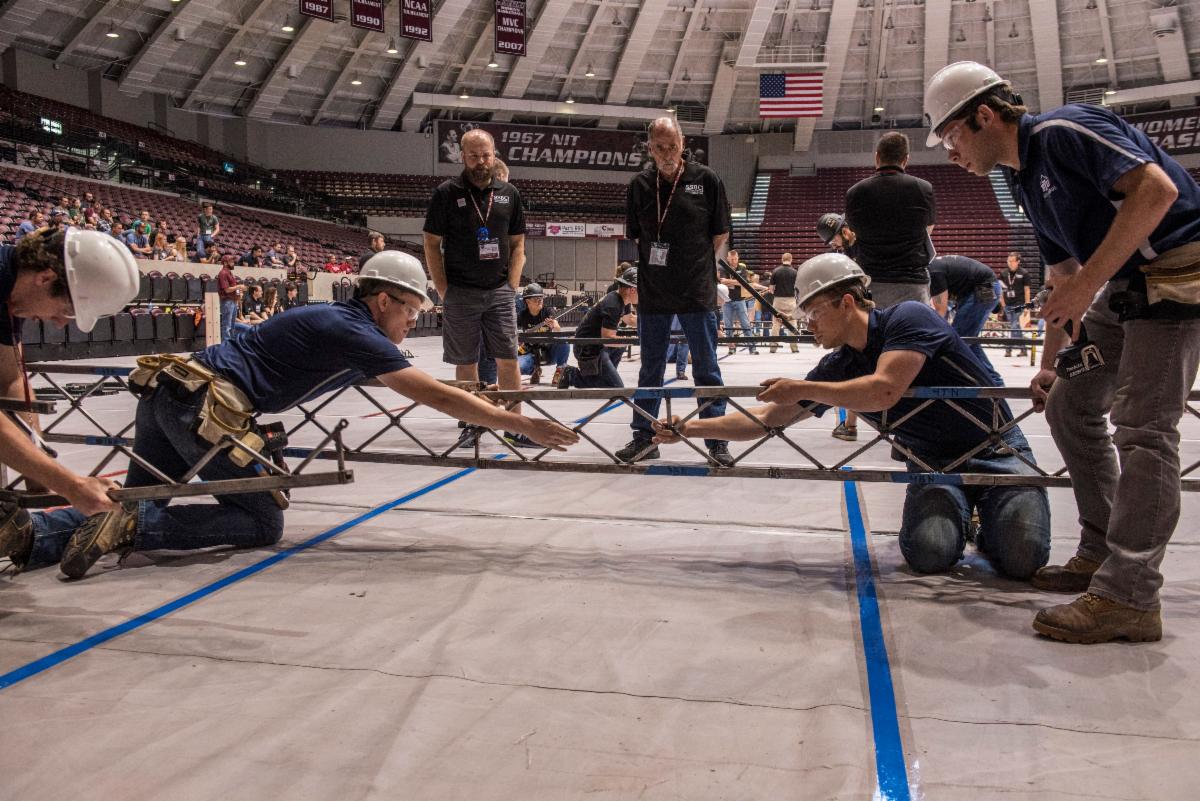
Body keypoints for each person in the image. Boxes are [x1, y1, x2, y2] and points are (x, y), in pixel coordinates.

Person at [0, 252, 578, 579]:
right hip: (205, 406)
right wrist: (523, 422)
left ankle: (34, 537)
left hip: (168, 392)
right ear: (384, 301)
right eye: (410, 310)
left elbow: (435, 388)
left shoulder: (333, 321)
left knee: (138, 498)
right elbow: (436, 395)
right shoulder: (355, 332)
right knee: (259, 524)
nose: (411, 323)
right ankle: (133, 523)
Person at [925, 60, 1200, 643]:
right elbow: (1062, 279)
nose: (949, 152)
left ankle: (1129, 593)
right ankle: (1101, 553)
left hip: (1176, 276)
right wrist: (1050, 364)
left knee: (1145, 431)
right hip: (1125, 289)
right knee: (1069, 406)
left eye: (950, 136)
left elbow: (1157, 190)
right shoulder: (1025, 180)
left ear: (983, 115)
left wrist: (1083, 285)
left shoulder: (1062, 132)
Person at [652, 253, 1050, 580]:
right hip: (933, 462)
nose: (808, 325)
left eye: (813, 312)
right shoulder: (838, 366)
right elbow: (767, 419)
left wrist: (804, 388)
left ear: (846, 302)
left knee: (1023, 557)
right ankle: (963, 507)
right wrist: (688, 427)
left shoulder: (909, 318)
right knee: (929, 555)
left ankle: (980, 512)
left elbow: (884, 389)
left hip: (994, 446)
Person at [0, 229, 139, 567]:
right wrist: (69, 484)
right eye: (66, 310)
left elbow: (11, 378)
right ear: (45, 278)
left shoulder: (8, 292)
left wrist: (38, 478)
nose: (61, 323)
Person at [618, 116, 732, 466]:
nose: (667, 153)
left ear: (683, 145)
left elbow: (720, 233)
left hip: (697, 290)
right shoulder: (639, 184)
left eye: (673, 146)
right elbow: (637, 234)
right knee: (650, 367)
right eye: (659, 147)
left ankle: (717, 439)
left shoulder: (706, 180)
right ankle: (644, 437)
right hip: (654, 291)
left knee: (707, 367)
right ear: (649, 148)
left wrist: (696, 264)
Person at [423, 128, 534, 447]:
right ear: (463, 156)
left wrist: (511, 285)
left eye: (486, 155)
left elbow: (518, 243)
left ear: (494, 154)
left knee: (508, 359)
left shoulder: (509, 193)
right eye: (474, 155)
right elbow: (431, 243)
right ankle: (471, 423)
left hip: (499, 291)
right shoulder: (446, 192)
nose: (481, 161)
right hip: (460, 291)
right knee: (466, 362)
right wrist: (443, 288)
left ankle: (516, 426)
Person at [927, 255, 1004, 386]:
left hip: (983, 287)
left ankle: (993, 381)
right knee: (967, 339)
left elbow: (941, 311)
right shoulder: (935, 268)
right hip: (984, 287)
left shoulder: (933, 272)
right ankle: (992, 381)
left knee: (959, 338)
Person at [558, 268, 638, 389]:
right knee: (615, 387)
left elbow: (630, 319)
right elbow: (607, 338)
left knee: (621, 347)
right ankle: (571, 375)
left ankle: (605, 374)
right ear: (632, 290)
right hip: (587, 348)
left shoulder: (621, 299)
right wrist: (632, 339)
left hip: (597, 345)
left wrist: (650, 324)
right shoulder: (613, 304)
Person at [516, 283, 570, 385]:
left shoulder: (548, 311)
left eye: (541, 297)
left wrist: (554, 325)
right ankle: (535, 370)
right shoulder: (522, 315)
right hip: (531, 350)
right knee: (518, 367)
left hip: (548, 350)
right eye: (536, 298)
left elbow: (558, 329)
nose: (540, 300)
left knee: (564, 339)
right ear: (527, 301)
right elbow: (512, 331)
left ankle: (560, 369)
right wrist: (519, 339)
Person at [718, 249, 759, 355]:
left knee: (745, 324)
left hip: (740, 300)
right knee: (728, 325)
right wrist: (737, 281)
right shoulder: (722, 268)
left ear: (738, 258)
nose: (734, 261)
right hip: (727, 301)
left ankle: (752, 347)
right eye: (732, 259)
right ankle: (731, 347)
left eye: (735, 259)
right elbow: (722, 282)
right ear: (727, 258)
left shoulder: (742, 268)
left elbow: (744, 282)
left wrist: (731, 282)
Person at [998, 251, 1031, 356]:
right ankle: (1023, 349)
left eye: (1013, 261)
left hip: (1019, 303)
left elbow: (1027, 290)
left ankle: (1008, 349)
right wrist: (1002, 304)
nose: (1010, 263)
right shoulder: (1003, 273)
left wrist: (1027, 305)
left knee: (1014, 325)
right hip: (1007, 304)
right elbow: (1000, 290)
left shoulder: (1024, 273)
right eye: (1009, 261)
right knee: (1015, 326)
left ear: (1018, 262)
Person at [769, 253, 800, 353]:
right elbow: (797, 288)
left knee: (776, 324)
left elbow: (771, 289)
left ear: (782, 259)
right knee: (792, 323)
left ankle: (773, 347)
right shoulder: (795, 272)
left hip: (778, 300)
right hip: (791, 300)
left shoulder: (776, 271)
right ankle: (794, 348)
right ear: (791, 259)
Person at [216, 254, 240, 342]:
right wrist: (238, 287)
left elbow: (232, 288)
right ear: (225, 263)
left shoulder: (229, 272)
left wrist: (238, 291)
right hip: (227, 301)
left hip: (233, 301)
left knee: (232, 326)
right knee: (227, 325)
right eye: (231, 261)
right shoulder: (223, 273)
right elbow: (226, 290)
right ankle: (226, 345)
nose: (233, 263)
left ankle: (231, 345)